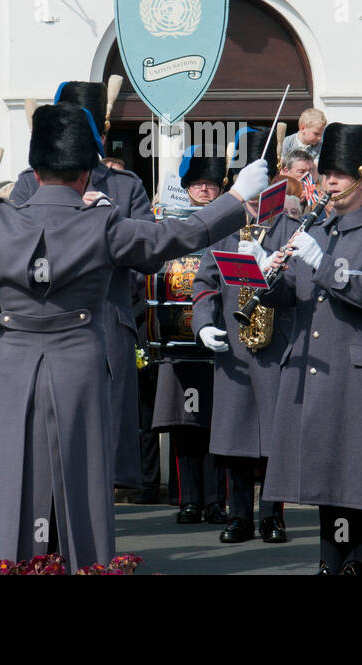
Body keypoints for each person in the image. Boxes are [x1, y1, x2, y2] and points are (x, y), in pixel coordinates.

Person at [0, 103, 268, 571]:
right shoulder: (102, 224)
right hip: (79, 363)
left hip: (13, 363)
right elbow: (177, 236)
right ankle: (87, 565)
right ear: (87, 172)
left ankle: (9, 564)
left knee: (11, 484)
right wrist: (237, 197)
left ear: (36, 170)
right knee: (82, 484)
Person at [257, 121, 362, 574]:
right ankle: (329, 561)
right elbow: (293, 295)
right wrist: (263, 277)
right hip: (311, 365)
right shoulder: (315, 227)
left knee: (357, 474)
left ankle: (357, 562)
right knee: (325, 472)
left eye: (339, 175)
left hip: (353, 366)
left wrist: (322, 263)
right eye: (326, 174)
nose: (329, 183)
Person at [10, 81, 152, 491]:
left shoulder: (126, 187)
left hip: (107, 321)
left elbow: (148, 255)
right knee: (46, 436)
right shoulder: (28, 183)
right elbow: (12, 248)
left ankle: (96, 547)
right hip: (45, 321)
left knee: (101, 442)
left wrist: (112, 224)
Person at [194, 127, 289, 544]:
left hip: (277, 345)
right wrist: (203, 323)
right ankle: (239, 516)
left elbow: (302, 284)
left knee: (273, 437)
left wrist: (270, 262)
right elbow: (204, 284)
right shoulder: (225, 228)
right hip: (233, 344)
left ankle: (272, 514)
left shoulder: (289, 226)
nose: (254, 202)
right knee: (234, 437)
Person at [151, 145, 229, 525]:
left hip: (219, 344)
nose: (204, 190)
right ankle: (189, 499)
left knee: (218, 425)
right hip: (177, 344)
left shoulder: (232, 225)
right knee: (185, 426)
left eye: (211, 184)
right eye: (197, 183)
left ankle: (216, 500)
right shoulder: (169, 225)